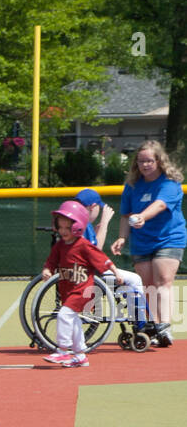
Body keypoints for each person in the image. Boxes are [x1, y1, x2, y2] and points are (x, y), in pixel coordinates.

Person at [40, 199, 135, 367]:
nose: (63, 231)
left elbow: (103, 260)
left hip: (83, 290)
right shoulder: (60, 246)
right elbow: (51, 261)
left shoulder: (83, 245)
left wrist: (116, 272)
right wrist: (47, 270)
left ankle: (63, 351)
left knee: (64, 314)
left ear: (78, 226)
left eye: (67, 227)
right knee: (73, 320)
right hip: (67, 289)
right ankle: (80, 355)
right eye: (60, 227)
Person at [110, 141, 185, 345]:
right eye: (141, 161)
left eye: (150, 161)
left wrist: (142, 216)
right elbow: (126, 215)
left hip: (169, 238)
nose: (145, 165)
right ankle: (154, 326)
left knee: (163, 280)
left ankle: (165, 328)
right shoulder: (132, 185)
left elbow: (160, 204)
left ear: (159, 161)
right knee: (147, 285)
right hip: (141, 242)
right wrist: (122, 237)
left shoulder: (169, 183)